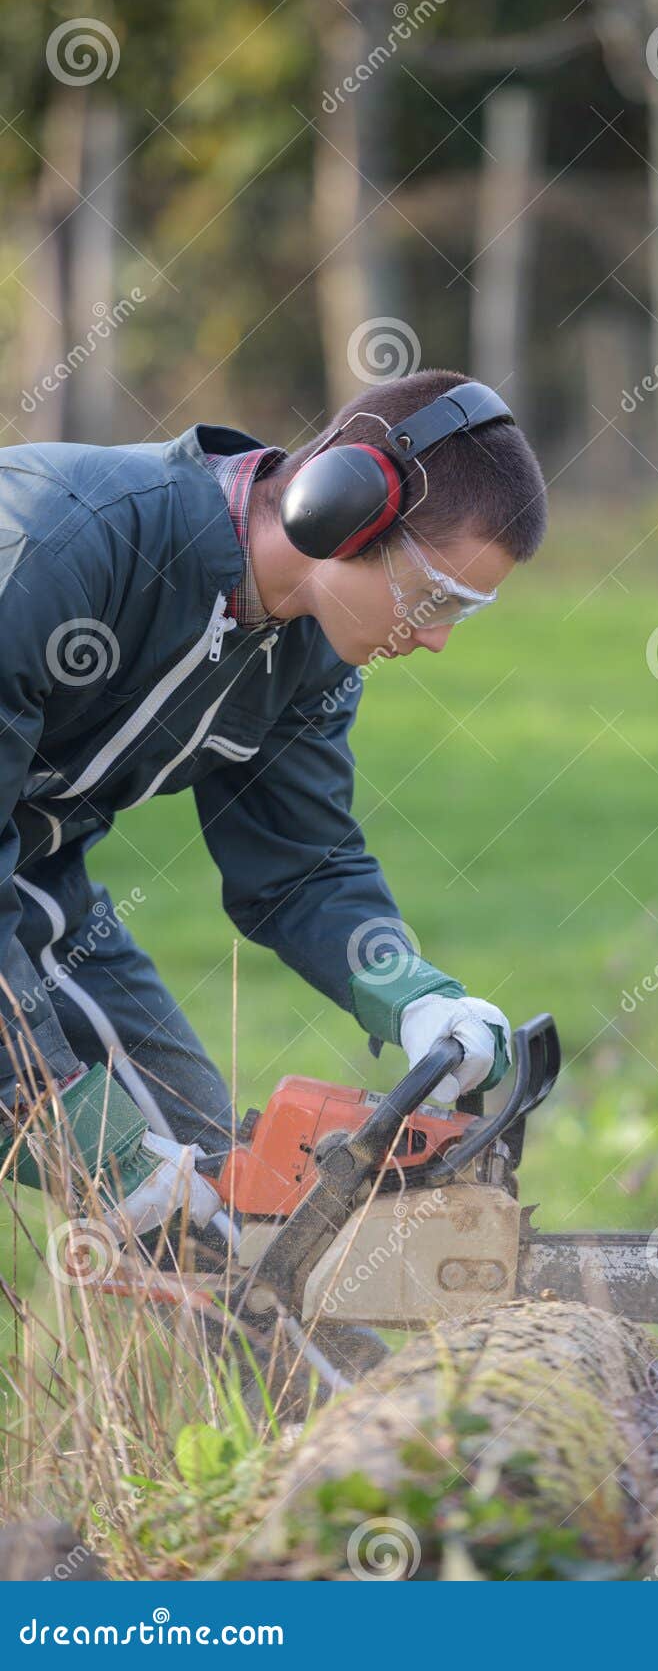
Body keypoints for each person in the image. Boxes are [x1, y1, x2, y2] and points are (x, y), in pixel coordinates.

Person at [0, 368, 547, 1245]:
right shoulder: (61, 547)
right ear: (343, 508)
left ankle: (349, 1389)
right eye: (436, 596)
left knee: (210, 1197)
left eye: (464, 613)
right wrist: (56, 1111)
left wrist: (414, 999)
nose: (438, 635)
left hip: (27, 882)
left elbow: (299, 868)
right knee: (107, 1150)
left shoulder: (310, 655)